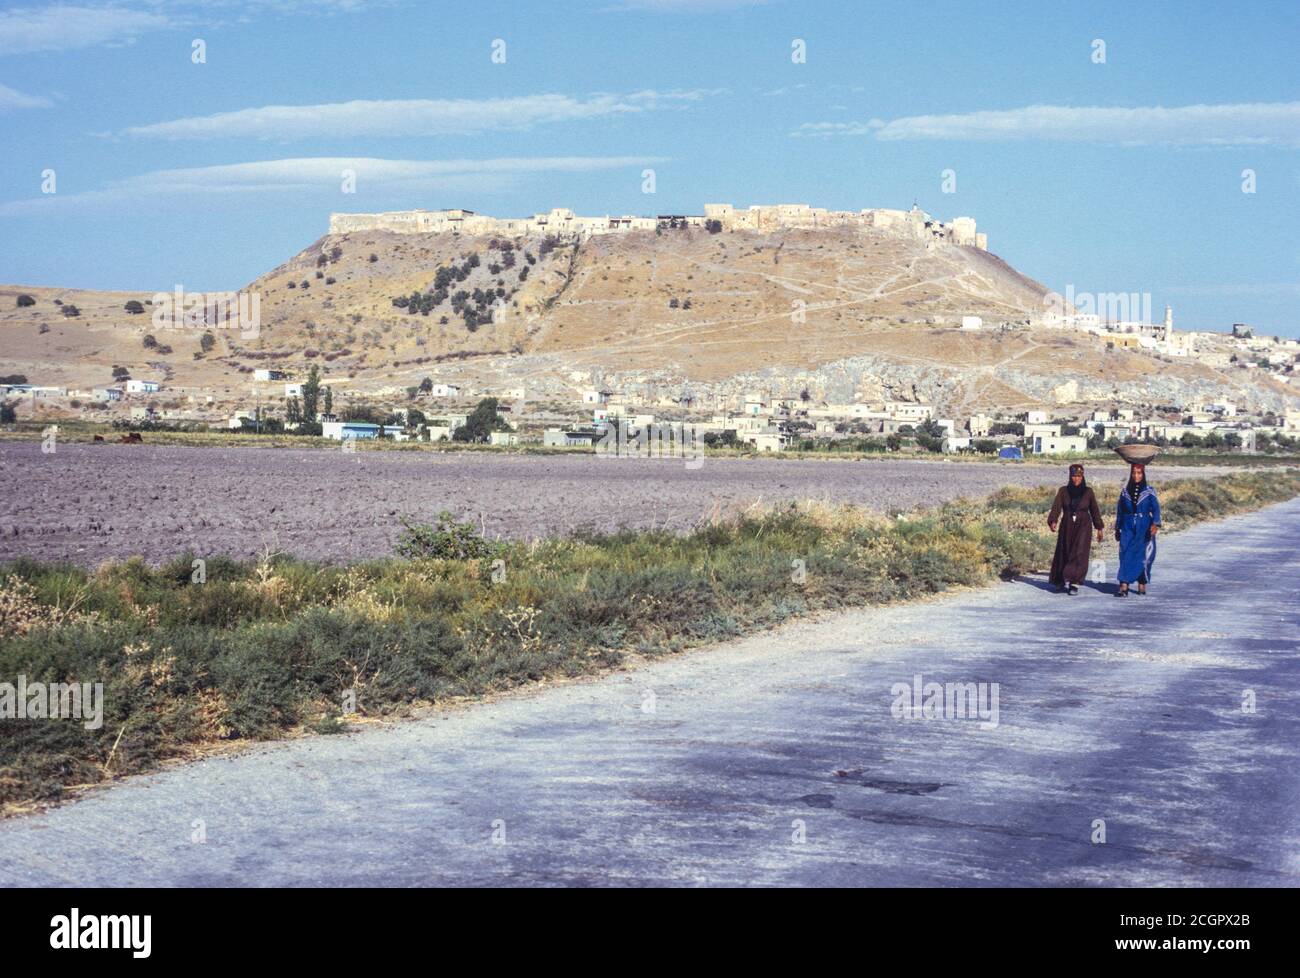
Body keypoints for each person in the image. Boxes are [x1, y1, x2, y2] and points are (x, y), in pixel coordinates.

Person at [1047, 463, 1104, 594]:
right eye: (1073, 476)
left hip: (1084, 525)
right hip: (1067, 524)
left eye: (1079, 476)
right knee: (1064, 551)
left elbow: (1094, 510)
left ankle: (1074, 582)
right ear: (1070, 476)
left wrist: (1099, 527)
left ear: (1082, 476)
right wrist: (1053, 520)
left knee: (1079, 552)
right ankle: (1060, 580)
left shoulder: (1088, 492)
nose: (1076, 479)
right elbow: (1056, 507)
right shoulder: (1063, 491)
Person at [1114, 462, 1160, 596]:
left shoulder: (1149, 491)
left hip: (1144, 526)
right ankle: (1124, 584)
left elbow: (1156, 509)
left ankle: (1142, 582)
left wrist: (1155, 524)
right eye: (1133, 473)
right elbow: (1120, 511)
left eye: (1139, 473)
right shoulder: (1124, 492)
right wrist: (1117, 528)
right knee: (1125, 553)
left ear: (1143, 474)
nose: (1136, 476)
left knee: (1144, 555)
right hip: (1127, 526)